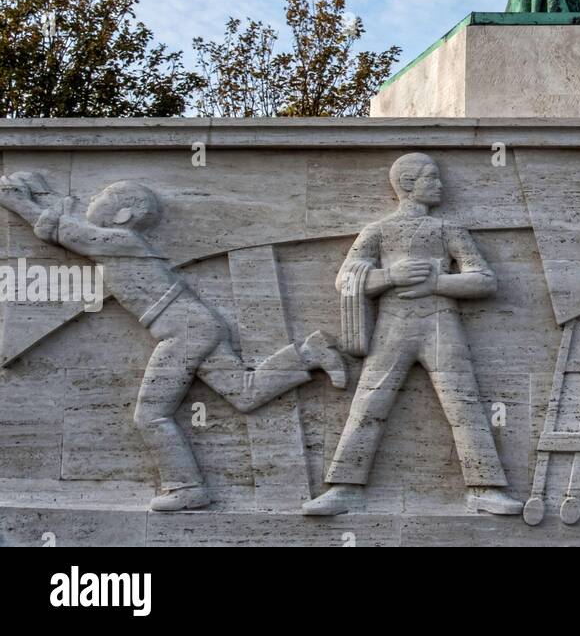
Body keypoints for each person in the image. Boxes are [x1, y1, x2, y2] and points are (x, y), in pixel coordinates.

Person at [0, 170, 346, 511]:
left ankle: (187, 487)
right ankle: (308, 353)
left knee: (149, 415)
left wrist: (16, 202)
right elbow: (61, 223)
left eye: (101, 197)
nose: (92, 198)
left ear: (122, 215)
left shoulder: (121, 242)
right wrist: (37, 196)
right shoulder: (114, 242)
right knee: (246, 393)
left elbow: (57, 230)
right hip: (195, 325)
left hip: (183, 330)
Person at [302, 154, 521, 516]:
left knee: (463, 402)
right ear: (407, 184)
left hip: (441, 323)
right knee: (369, 403)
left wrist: (437, 282)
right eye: (431, 178)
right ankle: (344, 487)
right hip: (392, 325)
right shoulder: (378, 231)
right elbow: (345, 280)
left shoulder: (448, 230)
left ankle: (485, 487)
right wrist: (392, 277)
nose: (440, 185)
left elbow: (484, 279)